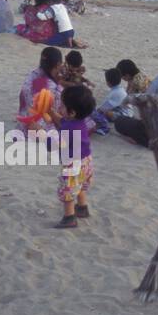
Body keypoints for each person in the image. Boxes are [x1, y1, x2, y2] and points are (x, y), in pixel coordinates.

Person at [54, 85, 96, 229]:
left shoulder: (69, 129)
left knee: (68, 190)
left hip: (73, 165)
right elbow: (62, 121)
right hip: (86, 161)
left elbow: (53, 144)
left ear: (71, 112)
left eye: (62, 105)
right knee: (80, 185)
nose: (60, 106)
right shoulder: (78, 121)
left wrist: (38, 130)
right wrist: (50, 112)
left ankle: (69, 217)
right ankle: (82, 208)